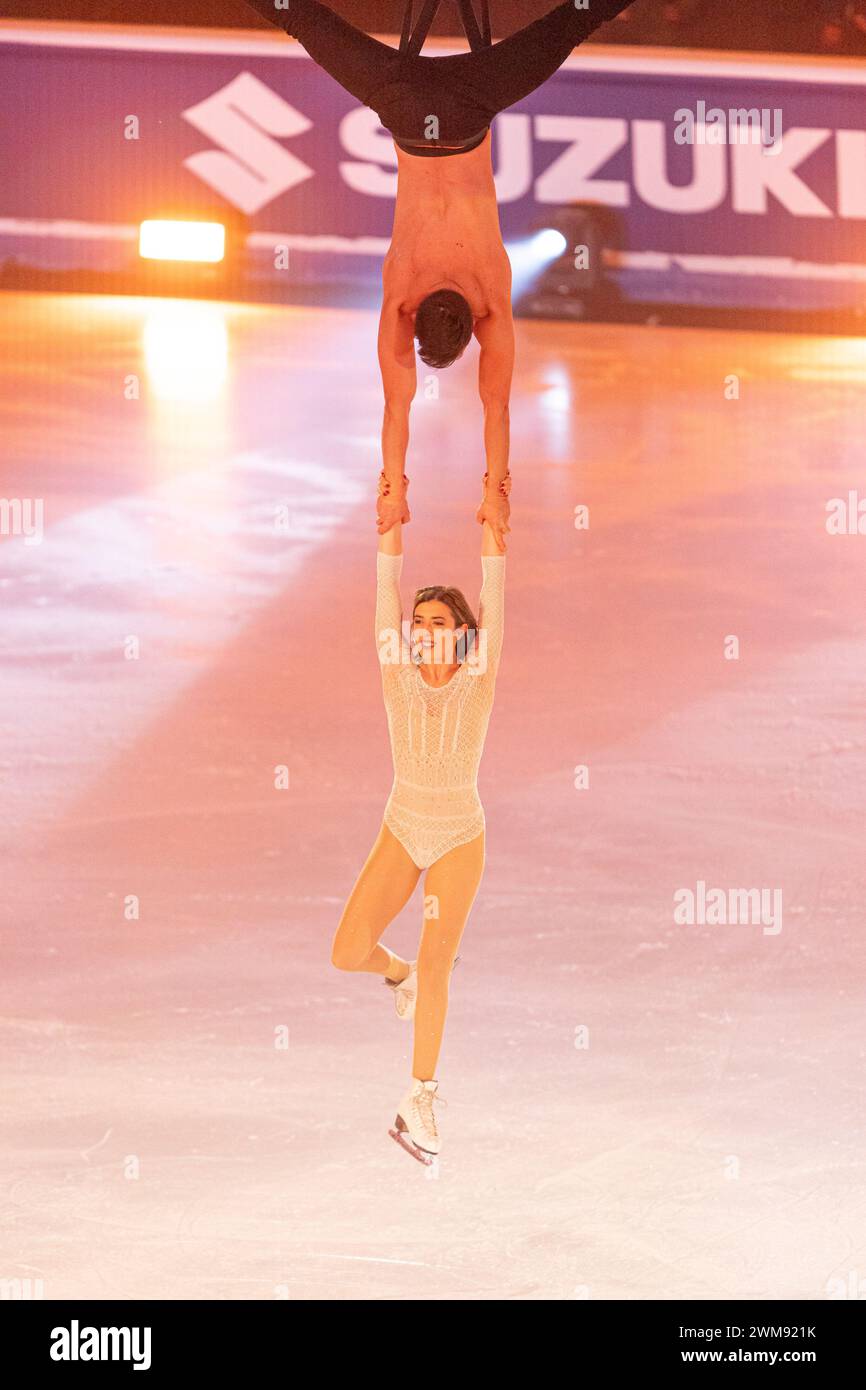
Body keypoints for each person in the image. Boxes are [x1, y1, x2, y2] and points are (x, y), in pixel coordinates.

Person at [239, 1, 637, 544]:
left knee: (577, 17)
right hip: (400, 101)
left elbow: (496, 411)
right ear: (414, 318)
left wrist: (495, 495)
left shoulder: (490, 300)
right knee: (300, 16)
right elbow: (395, 411)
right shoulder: (401, 296)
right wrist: (393, 491)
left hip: (475, 99)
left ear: (471, 327)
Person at [330, 469, 507, 1162]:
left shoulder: (481, 670)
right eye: (419, 623)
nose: (423, 630)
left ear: (463, 636)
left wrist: (493, 513)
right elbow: (385, 590)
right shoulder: (395, 672)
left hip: (460, 833)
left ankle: (421, 1097)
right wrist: (390, 516)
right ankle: (394, 974)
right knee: (347, 952)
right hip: (404, 825)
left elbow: (495, 590)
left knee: (441, 962)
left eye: (439, 624)